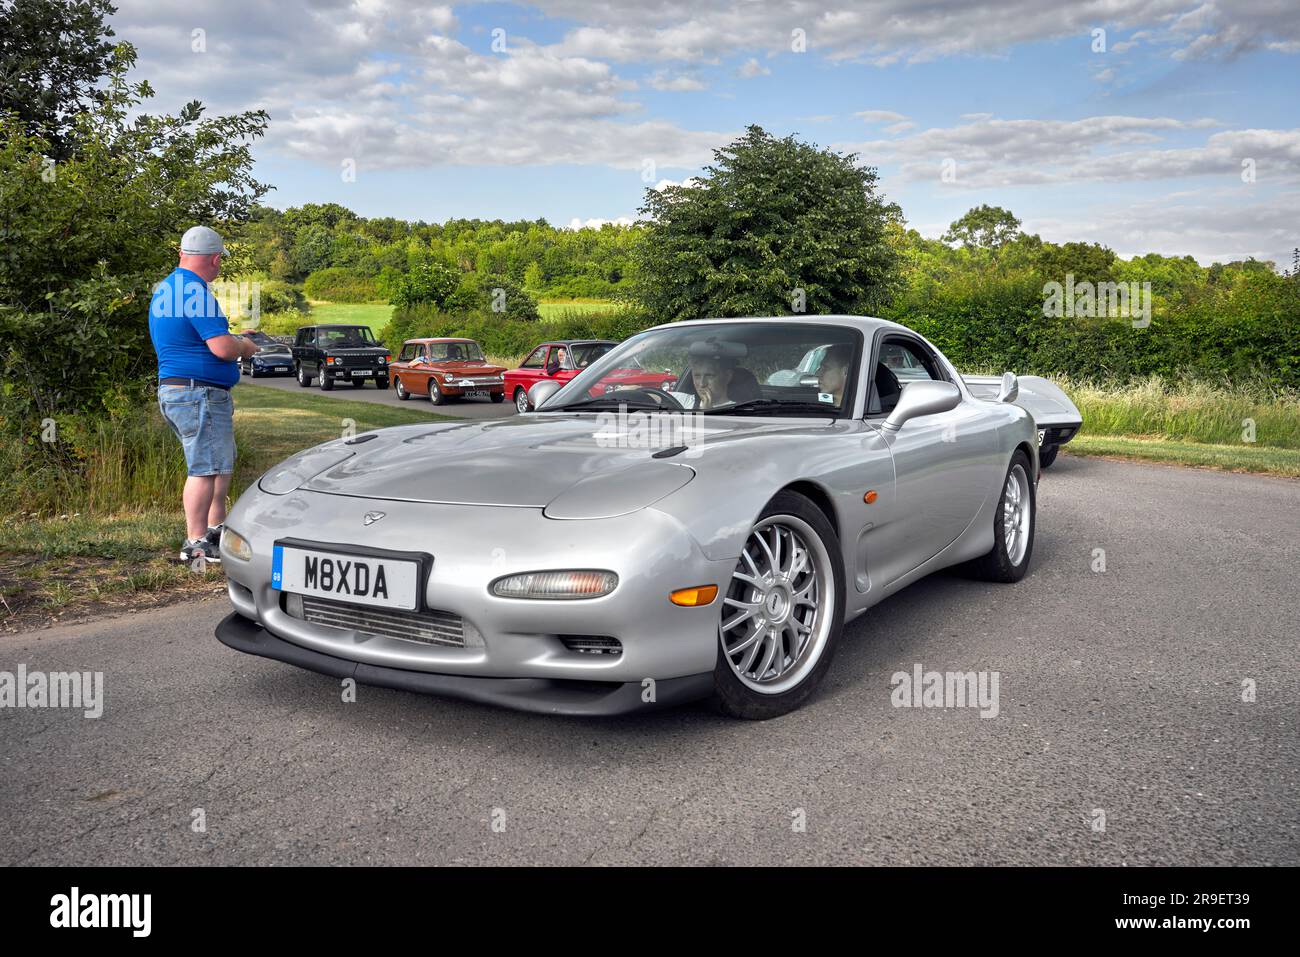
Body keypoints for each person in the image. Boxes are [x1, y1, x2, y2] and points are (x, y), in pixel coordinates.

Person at [148, 226, 258, 563]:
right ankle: (195, 545)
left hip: (179, 388)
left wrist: (232, 336)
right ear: (214, 259)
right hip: (199, 394)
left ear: (182, 253)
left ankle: (216, 529)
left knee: (218, 464)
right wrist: (245, 345)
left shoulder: (167, 289)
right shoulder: (195, 291)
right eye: (220, 261)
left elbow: (192, 339)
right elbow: (223, 348)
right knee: (205, 469)